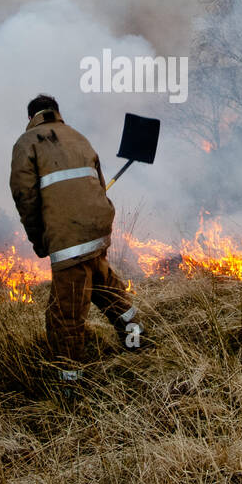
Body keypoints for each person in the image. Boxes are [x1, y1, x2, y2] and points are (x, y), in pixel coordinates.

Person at [9, 94, 145, 383]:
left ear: (31, 117)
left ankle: (69, 387)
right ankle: (138, 344)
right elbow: (98, 182)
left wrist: (40, 241)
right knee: (108, 292)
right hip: (96, 229)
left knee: (65, 316)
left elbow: (24, 196)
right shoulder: (78, 136)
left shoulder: (27, 142)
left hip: (69, 240)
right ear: (57, 113)